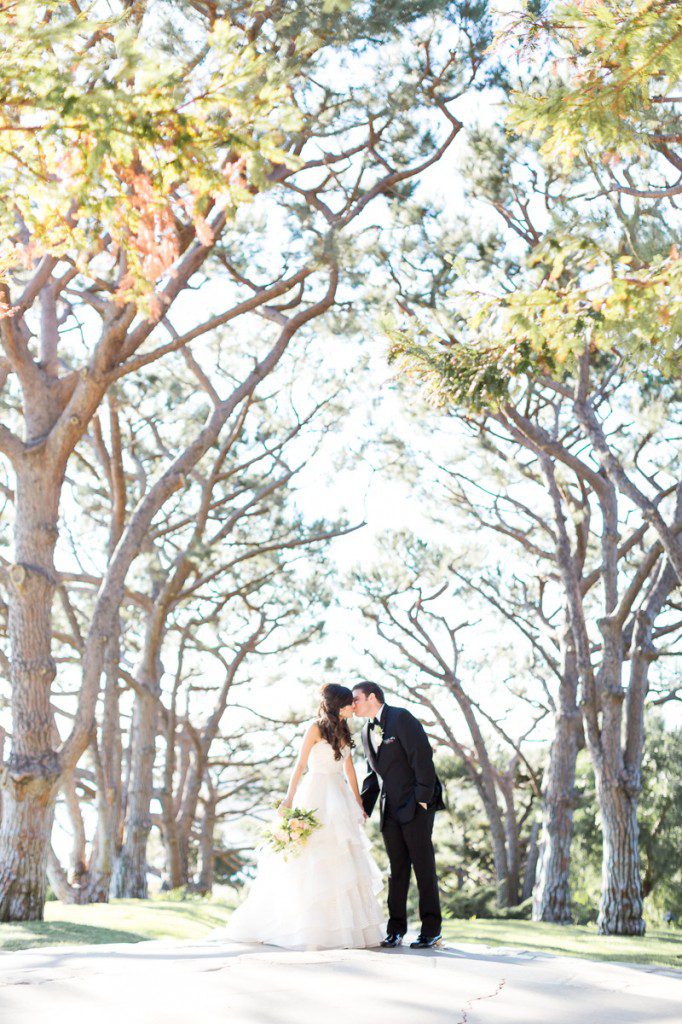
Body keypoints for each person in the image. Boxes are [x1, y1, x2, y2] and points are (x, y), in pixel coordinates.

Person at [225, 683, 384, 950]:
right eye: (348, 702)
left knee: (342, 857)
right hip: (316, 795)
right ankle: (305, 925)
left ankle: (343, 929)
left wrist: (358, 802)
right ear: (338, 705)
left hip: (339, 797)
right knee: (312, 856)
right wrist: (288, 799)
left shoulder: (344, 729)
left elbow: (350, 770)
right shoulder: (315, 729)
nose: (353, 706)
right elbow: (299, 766)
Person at [352, 680, 445, 949]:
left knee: (423, 867)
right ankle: (395, 930)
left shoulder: (401, 717)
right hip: (389, 808)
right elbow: (373, 774)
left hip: (416, 805)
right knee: (397, 871)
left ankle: (431, 930)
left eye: (356, 699)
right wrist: (362, 809)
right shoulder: (365, 732)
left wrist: (423, 799)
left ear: (371, 697)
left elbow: (422, 756)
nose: (353, 704)